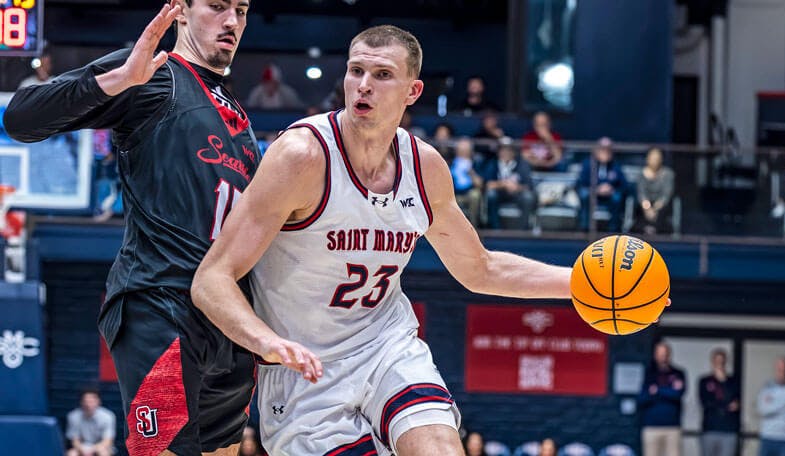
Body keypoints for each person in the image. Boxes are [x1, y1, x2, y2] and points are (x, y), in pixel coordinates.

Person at [191, 25, 574, 455]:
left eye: (382, 75)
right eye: (356, 71)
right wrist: (266, 342)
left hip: (387, 348)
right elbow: (211, 279)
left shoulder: (424, 167)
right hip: (305, 371)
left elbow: (481, 268)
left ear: (413, 91)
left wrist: (581, 285)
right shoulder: (302, 156)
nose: (364, 86)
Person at [3, 1, 265, 454]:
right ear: (180, 11)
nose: (232, 21)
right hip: (163, 307)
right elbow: (21, 117)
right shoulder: (155, 73)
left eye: (241, 10)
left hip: (230, 320)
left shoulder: (236, 113)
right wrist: (119, 80)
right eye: (218, 6)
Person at [638, 342, 685, 456]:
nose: (663, 357)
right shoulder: (649, 374)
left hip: (673, 427)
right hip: (651, 427)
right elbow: (642, 399)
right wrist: (668, 390)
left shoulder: (678, 373)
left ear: (669, 354)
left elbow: (677, 395)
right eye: (660, 354)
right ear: (655, 355)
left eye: (665, 354)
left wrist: (657, 390)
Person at [577, 137, 627, 232]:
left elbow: (623, 184)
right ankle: (585, 227)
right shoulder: (588, 164)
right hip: (592, 191)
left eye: (608, 150)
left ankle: (614, 228)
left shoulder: (616, 165)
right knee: (584, 194)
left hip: (609, 194)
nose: (605, 152)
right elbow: (582, 181)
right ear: (596, 150)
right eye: (603, 149)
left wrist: (611, 188)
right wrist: (597, 188)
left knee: (617, 197)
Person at [483, 138, 535, 229]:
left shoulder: (522, 164)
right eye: (502, 149)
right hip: (500, 194)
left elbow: (529, 186)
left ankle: (523, 230)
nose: (505, 152)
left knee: (528, 197)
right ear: (498, 152)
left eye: (508, 150)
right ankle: (495, 228)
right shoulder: (493, 163)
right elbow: (487, 184)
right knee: (491, 195)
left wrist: (517, 187)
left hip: (517, 194)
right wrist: (503, 184)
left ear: (514, 152)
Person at [698, 348, 740, 456]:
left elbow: (735, 402)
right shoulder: (704, 381)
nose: (719, 364)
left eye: (722, 361)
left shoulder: (732, 381)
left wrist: (723, 380)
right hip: (710, 429)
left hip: (729, 431)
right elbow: (706, 402)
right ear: (712, 362)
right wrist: (726, 405)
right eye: (717, 361)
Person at [757, 356, 785, 456]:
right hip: (767, 436)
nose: (782, 373)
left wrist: (773, 404)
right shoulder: (767, 388)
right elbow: (763, 410)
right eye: (779, 369)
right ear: (776, 370)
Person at [635, 148, 674, 235]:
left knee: (662, 212)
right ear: (647, 159)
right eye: (652, 158)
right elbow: (641, 193)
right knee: (639, 211)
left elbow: (666, 194)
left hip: (661, 205)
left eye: (657, 158)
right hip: (645, 205)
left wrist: (656, 208)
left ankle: (656, 231)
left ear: (661, 159)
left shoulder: (668, 174)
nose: (654, 161)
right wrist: (647, 208)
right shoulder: (641, 173)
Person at [65, 388, 116, 456]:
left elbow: (108, 441)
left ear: (98, 401)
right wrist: (83, 449)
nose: (88, 405)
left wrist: (93, 449)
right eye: (86, 401)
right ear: (81, 402)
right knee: (71, 454)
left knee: (103, 453)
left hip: (101, 447)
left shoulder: (108, 416)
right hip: (81, 447)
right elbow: (74, 440)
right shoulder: (73, 416)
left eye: (92, 401)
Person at [450, 138, 483, 227]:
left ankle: (473, 226)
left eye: (466, 151)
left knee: (475, 195)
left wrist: (471, 172)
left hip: (469, 192)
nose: (463, 153)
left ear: (470, 152)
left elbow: (480, 184)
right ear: (456, 151)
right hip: (454, 194)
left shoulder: (476, 163)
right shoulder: (451, 163)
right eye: (461, 151)